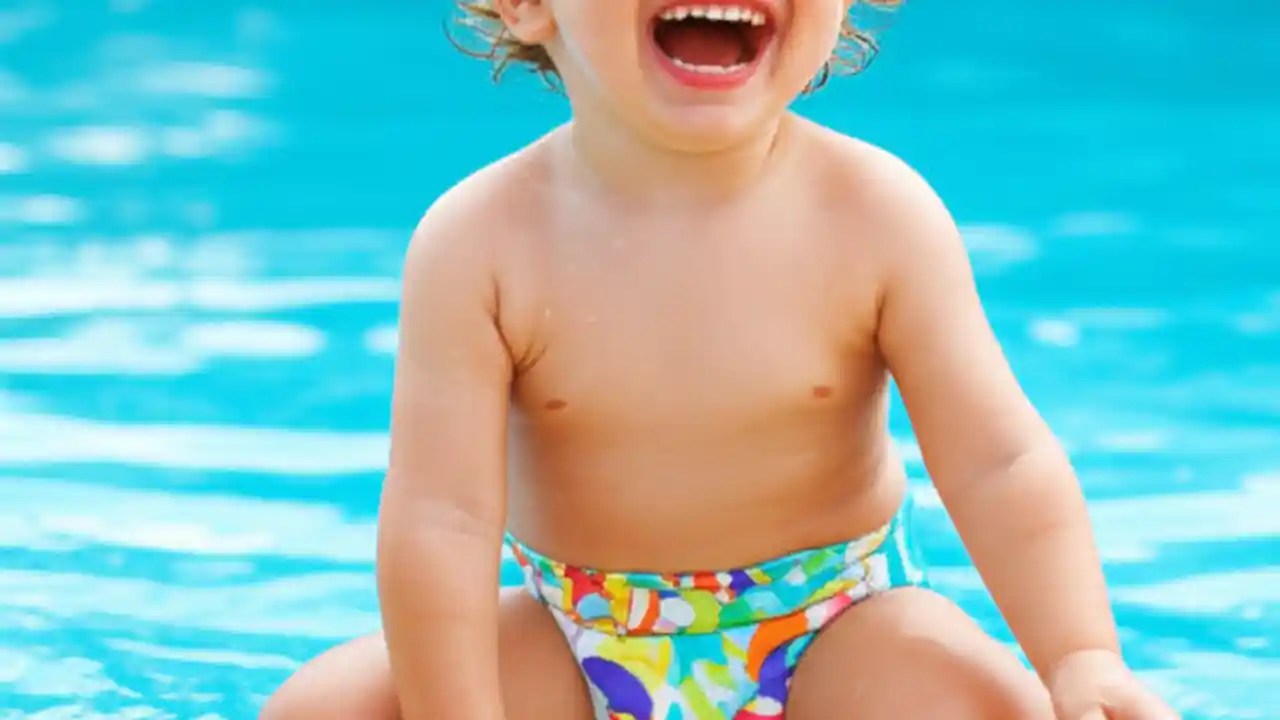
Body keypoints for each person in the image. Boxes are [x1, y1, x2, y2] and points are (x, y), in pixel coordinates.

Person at [262, 1, 1179, 718]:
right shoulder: (480, 243)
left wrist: (1080, 655)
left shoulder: (876, 215)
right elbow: (442, 521)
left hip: (835, 633)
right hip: (576, 633)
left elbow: (999, 462)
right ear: (526, 4)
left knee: (988, 706)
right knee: (321, 710)